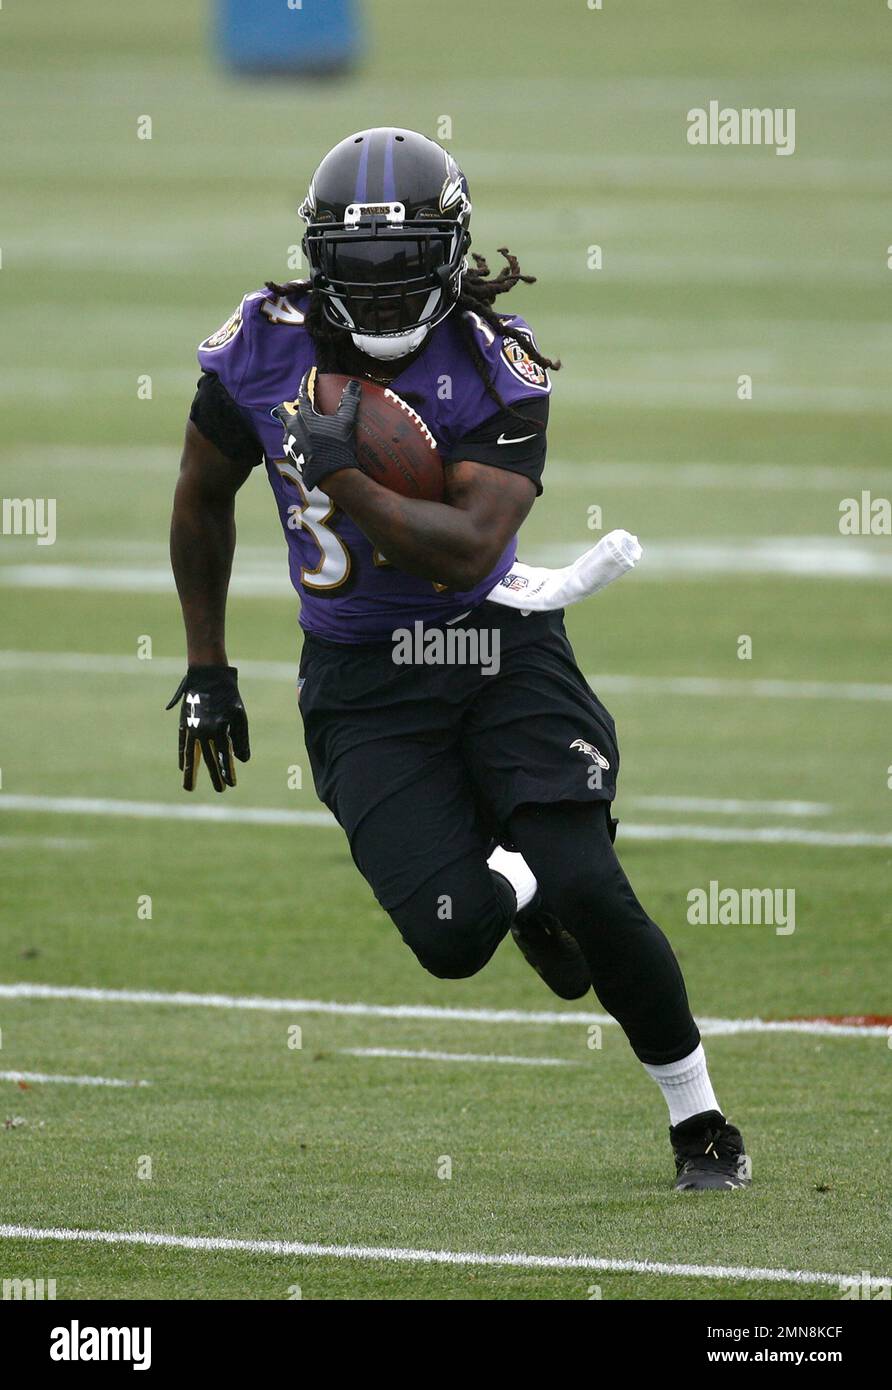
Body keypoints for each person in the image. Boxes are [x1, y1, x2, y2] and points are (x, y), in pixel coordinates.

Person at [168, 127, 750, 1191]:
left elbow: (472, 547)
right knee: (450, 938)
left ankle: (698, 1117)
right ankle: (523, 897)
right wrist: (208, 664)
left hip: (497, 643)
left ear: (452, 256)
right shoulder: (261, 343)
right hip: (360, 679)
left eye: (404, 270)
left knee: (595, 886)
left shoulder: (496, 359)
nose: (384, 297)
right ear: (316, 262)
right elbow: (203, 494)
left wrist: (341, 477)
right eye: (359, 271)